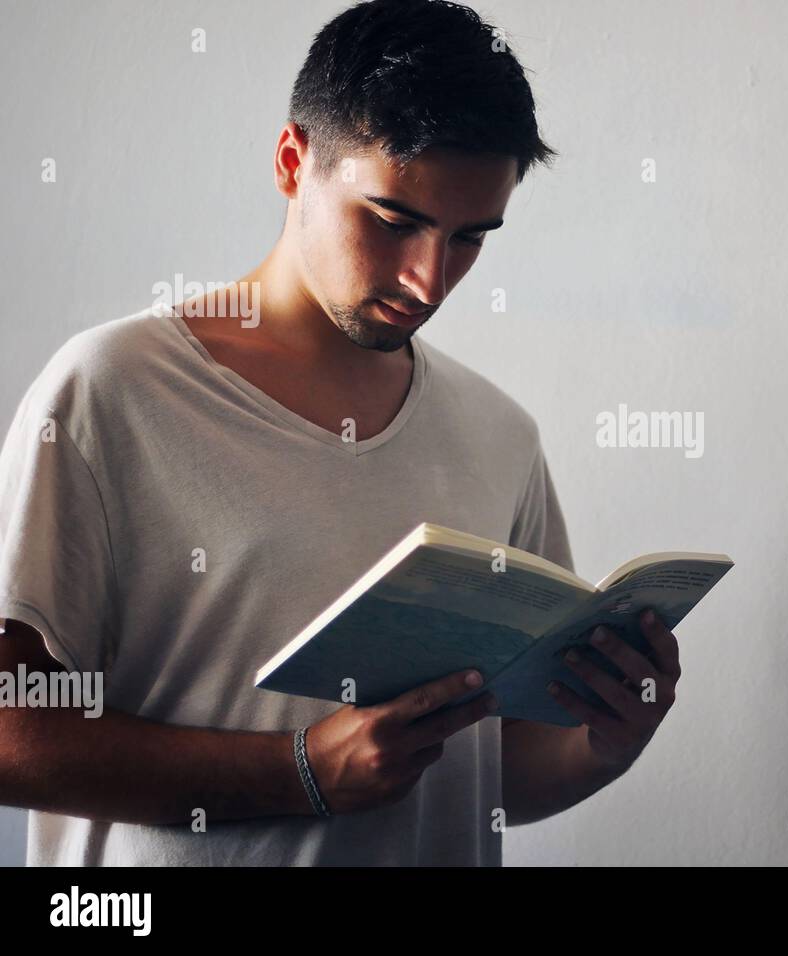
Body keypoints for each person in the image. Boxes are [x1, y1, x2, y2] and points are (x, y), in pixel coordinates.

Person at [0, 0, 680, 866]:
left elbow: (488, 769)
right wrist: (298, 771)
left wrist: (607, 744)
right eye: (394, 221)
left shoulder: (500, 435)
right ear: (293, 162)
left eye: (470, 238)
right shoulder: (108, 391)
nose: (428, 279)